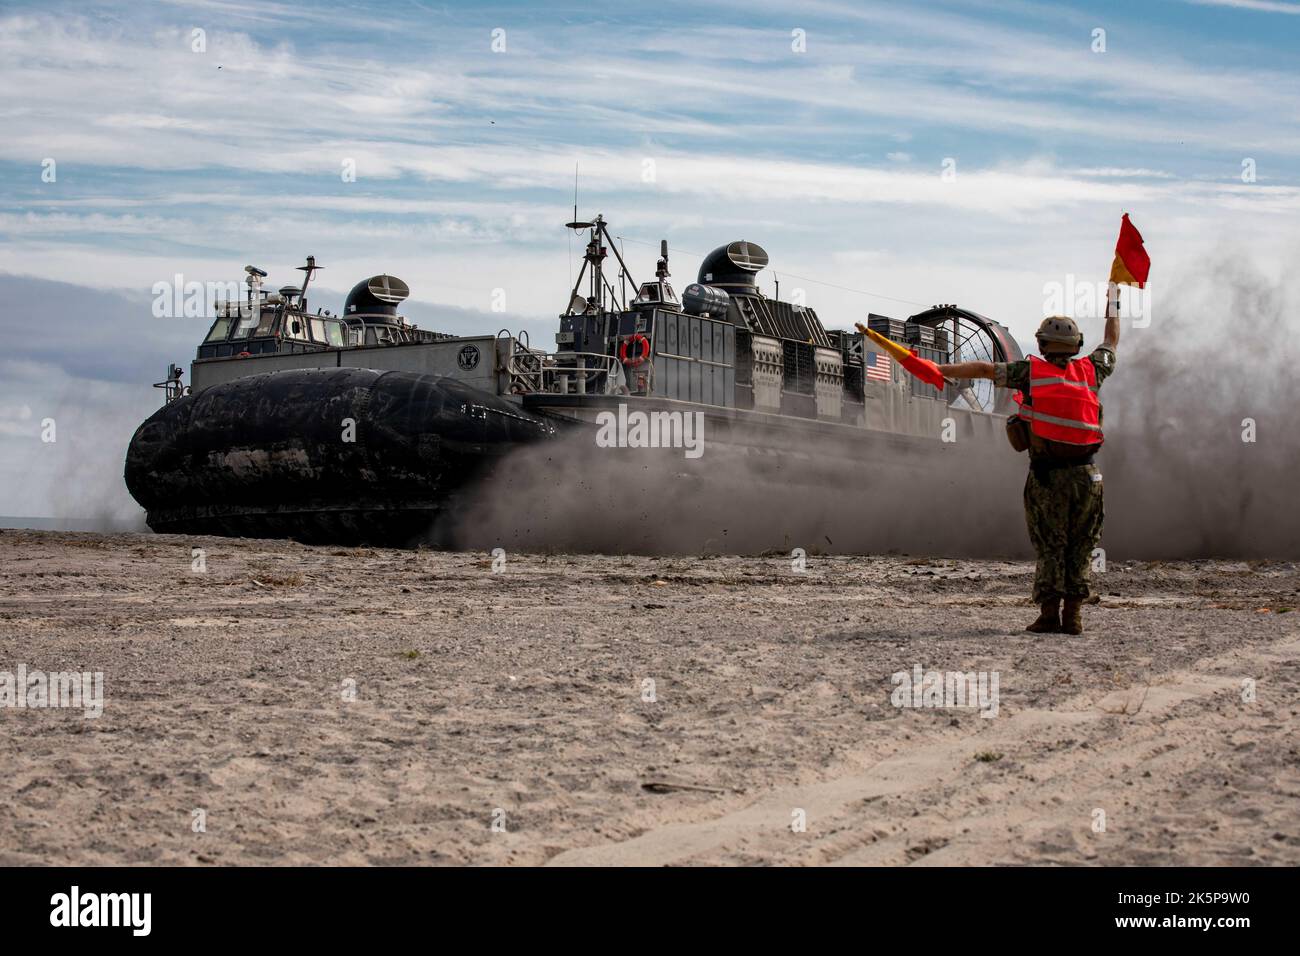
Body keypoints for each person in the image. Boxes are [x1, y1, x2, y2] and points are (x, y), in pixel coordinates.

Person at [936, 297, 1120, 635]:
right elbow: (1111, 341)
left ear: (1041, 343)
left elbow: (983, 370)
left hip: (1048, 477)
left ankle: (1050, 615)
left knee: (1051, 544)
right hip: (1088, 477)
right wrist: (1113, 305)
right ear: (1077, 344)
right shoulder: (1091, 370)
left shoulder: (1031, 372)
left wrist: (940, 370)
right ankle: (1074, 616)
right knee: (1082, 546)